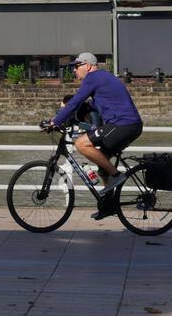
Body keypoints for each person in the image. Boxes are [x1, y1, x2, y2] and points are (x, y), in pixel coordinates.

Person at [51, 53, 143, 215]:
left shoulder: (93, 78)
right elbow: (92, 105)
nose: (74, 70)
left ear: (87, 65)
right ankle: (110, 205)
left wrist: (55, 121)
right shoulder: (103, 77)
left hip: (123, 124)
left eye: (76, 66)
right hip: (129, 125)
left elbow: (76, 102)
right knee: (102, 168)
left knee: (81, 143)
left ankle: (116, 176)